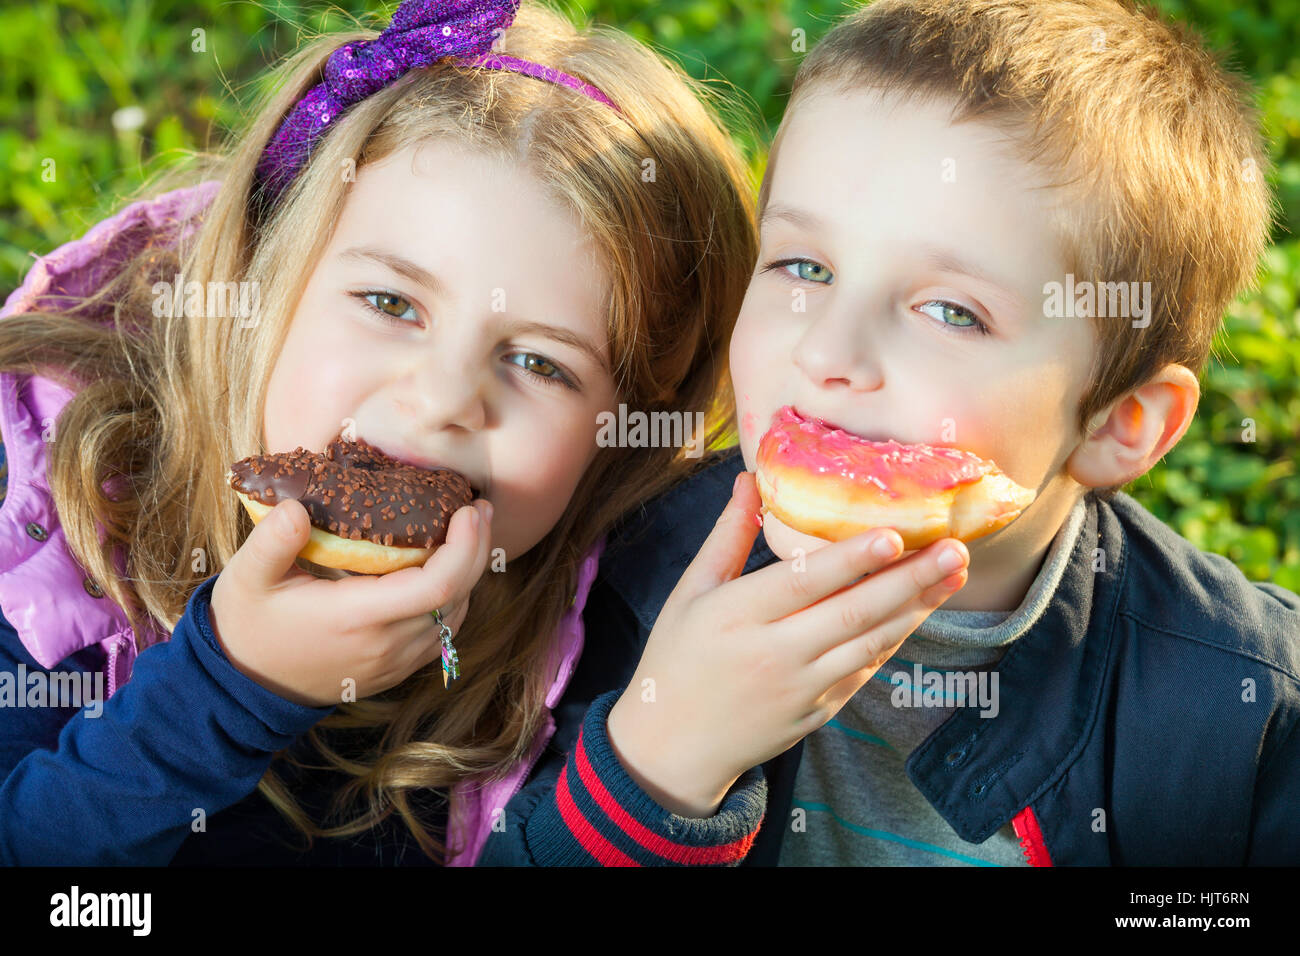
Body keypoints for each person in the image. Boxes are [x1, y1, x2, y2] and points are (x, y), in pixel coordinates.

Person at [481, 0, 1300, 865]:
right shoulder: (602, 575)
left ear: (1121, 423)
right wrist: (658, 761)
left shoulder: (1243, 718)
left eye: (950, 311)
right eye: (805, 266)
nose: (830, 351)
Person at [0, 0, 770, 866]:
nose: (444, 398)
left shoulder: (608, 630)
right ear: (268, 276)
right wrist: (232, 688)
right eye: (390, 304)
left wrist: (662, 771)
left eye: (541, 365)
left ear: (617, 440)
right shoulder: (48, 527)